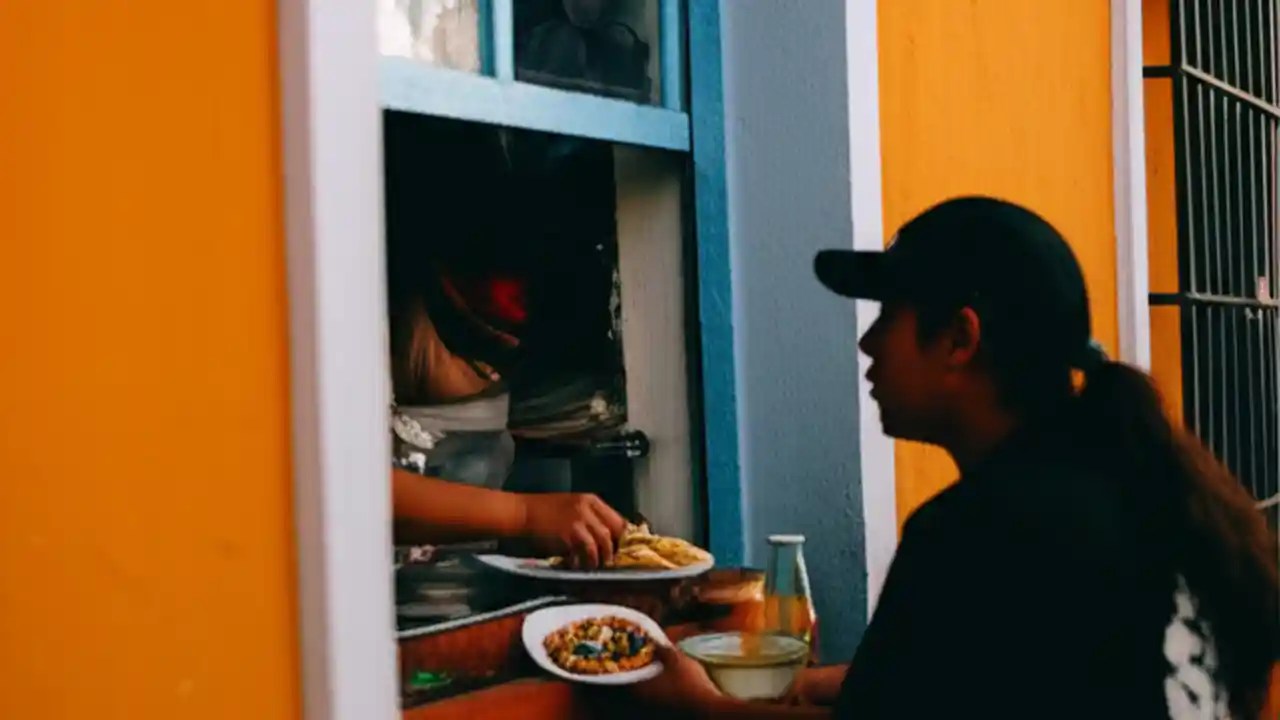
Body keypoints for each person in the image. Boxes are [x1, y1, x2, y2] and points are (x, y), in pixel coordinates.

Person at [633, 197, 1278, 719]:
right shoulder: (1134, 490)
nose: (867, 342)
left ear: (959, 339)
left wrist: (694, 708)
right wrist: (835, 683)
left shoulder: (981, 530)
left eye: (888, 314)